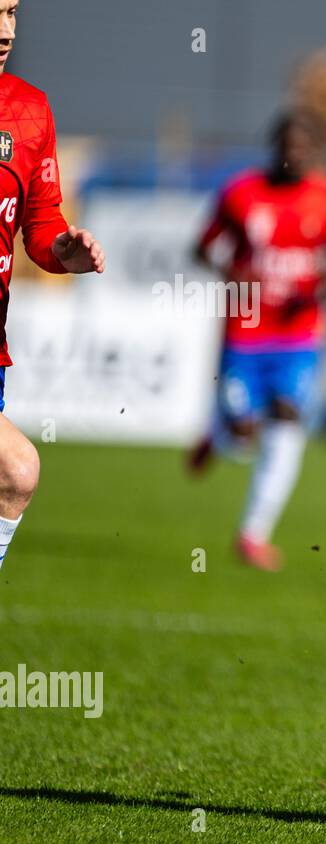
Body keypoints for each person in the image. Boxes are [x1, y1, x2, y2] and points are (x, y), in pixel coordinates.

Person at [190, 113, 326, 571]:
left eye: (304, 147)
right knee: (244, 433)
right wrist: (229, 270)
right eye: (288, 146)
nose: (295, 155)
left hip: (299, 335)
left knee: (287, 417)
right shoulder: (241, 193)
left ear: (314, 152)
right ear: (275, 147)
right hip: (245, 333)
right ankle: (220, 431)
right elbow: (201, 247)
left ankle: (253, 534)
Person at [0, 0, 106, 573]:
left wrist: (68, 250)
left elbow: (41, 226)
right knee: (17, 467)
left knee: (15, 476)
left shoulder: (30, 111)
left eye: (13, 12)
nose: (5, 29)